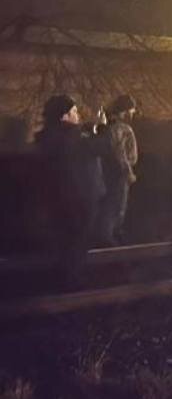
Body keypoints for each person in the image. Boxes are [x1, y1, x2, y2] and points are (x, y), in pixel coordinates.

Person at [35, 95, 107, 287]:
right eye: (74, 111)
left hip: (56, 197)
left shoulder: (44, 138)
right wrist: (101, 128)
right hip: (82, 197)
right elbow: (102, 147)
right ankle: (72, 284)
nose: (77, 115)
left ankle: (60, 280)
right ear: (64, 116)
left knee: (63, 240)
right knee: (79, 242)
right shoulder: (74, 135)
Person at [95, 94, 139, 246]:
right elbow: (120, 152)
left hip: (106, 174)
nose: (134, 113)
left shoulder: (106, 127)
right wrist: (128, 173)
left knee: (109, 208)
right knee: (117, 209)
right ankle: (110, 243)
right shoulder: (123, 129)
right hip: (119, 176)